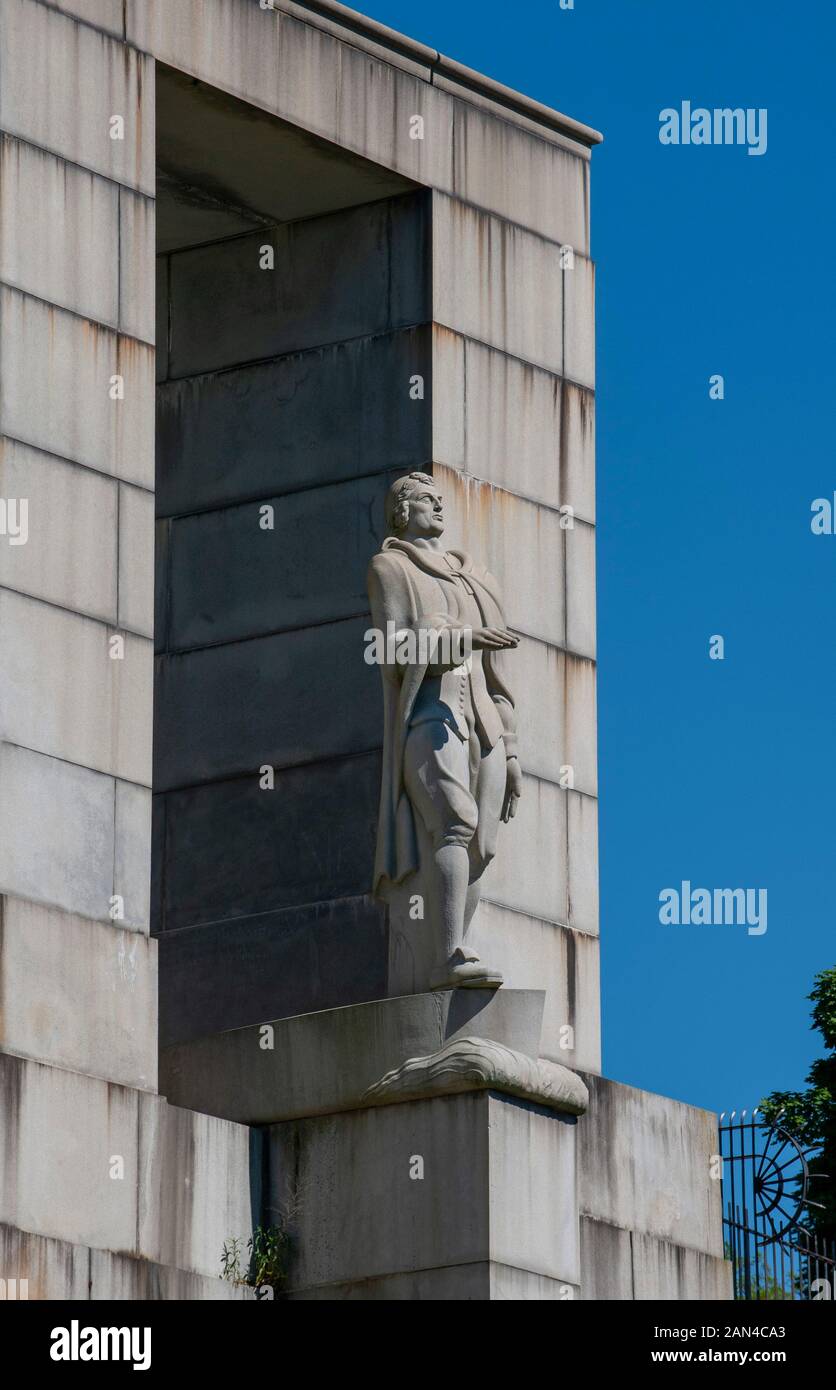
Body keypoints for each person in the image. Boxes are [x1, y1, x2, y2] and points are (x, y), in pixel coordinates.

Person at [367, 471, 521, 989]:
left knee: (484, 844)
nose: (437, 503)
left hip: (484, 725)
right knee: (454, 819)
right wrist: (462, 636)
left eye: (439, 498)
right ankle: (447, 952)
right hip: (431, 712)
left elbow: (499, 677)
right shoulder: (391, 567)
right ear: (400, 511)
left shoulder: (473, 578)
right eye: (423, 498)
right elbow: (392, 650)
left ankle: (459, 943)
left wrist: (513, 750)